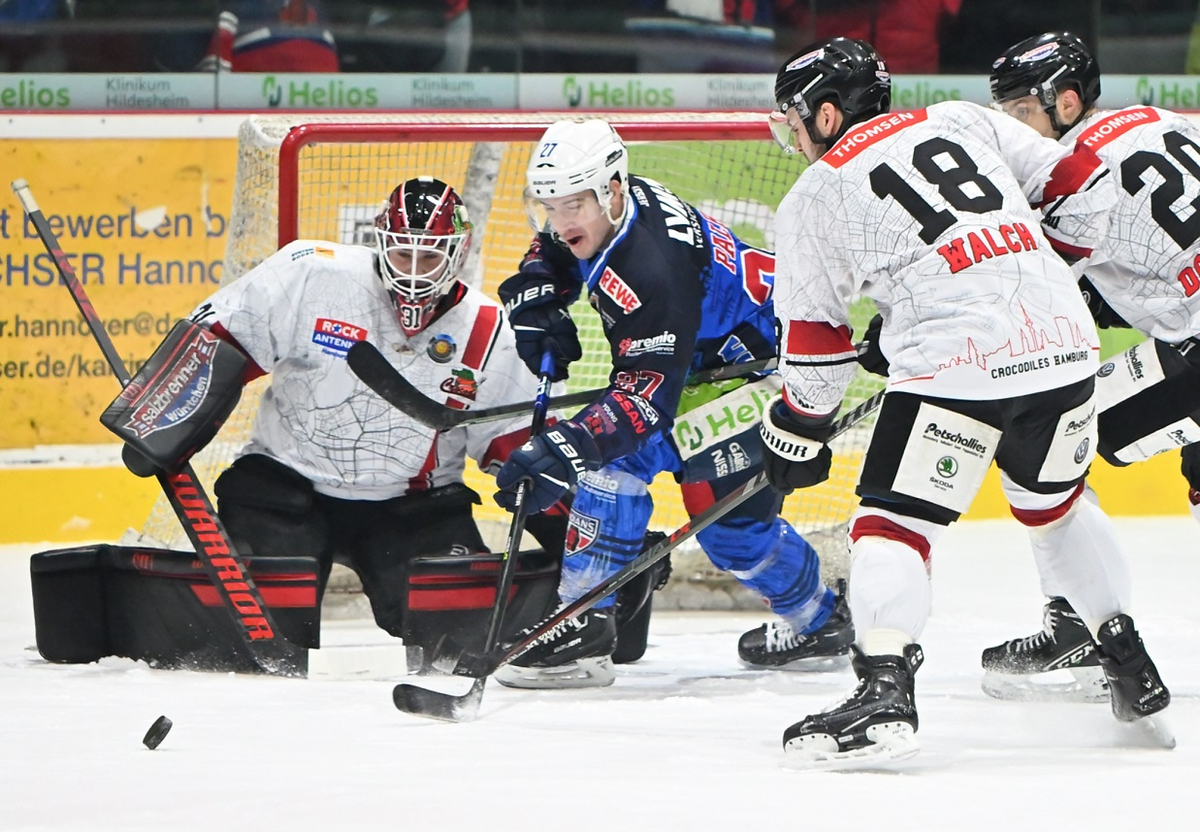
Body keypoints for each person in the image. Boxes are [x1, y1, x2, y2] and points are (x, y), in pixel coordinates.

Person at [760, 37, 1169, 767]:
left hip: (956, 366)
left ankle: (884, 684)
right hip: (1065, 345)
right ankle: (1128, 661)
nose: (792, 134)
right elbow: (1087, 183)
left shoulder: (814, 194)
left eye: (795, 118)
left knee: (894, 525)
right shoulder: (960, 119)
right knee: (1057, 507)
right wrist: (1031, 269)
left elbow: (818, 351)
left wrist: (797, 431)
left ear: (826, 115)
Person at [103, 177, 569, 663]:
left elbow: (516, 444)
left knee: (463, 631)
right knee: (241, 633)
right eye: (402, 254)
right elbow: (222, 336)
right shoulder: (312, 273)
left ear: (459, 251)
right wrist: (163, 412)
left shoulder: (489, 330)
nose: (412, 273)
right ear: (379, 242)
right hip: (286, 488)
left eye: (430, 256)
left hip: (411, 505)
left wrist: (574, 533)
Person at [489, 118, 853, 690]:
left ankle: (817, 619)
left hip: (750, 367)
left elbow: (645, 402)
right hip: (703, 360)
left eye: (573, 206)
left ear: (611, 188)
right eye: (549, 206)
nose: (560, 222)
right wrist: (540, 293)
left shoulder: (652, 268)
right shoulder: (612, 206)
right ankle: (586, 618)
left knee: (716, 524)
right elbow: (559, 247)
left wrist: (564, 448)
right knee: (623, 472)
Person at [984, 31, 1200, 698]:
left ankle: (1079, 623)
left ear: (1067, 101)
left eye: (1022, 111)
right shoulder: (1165, 121)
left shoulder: (1070, 173)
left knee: (1041, 441)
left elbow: (1023, 283)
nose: (1013, 129)